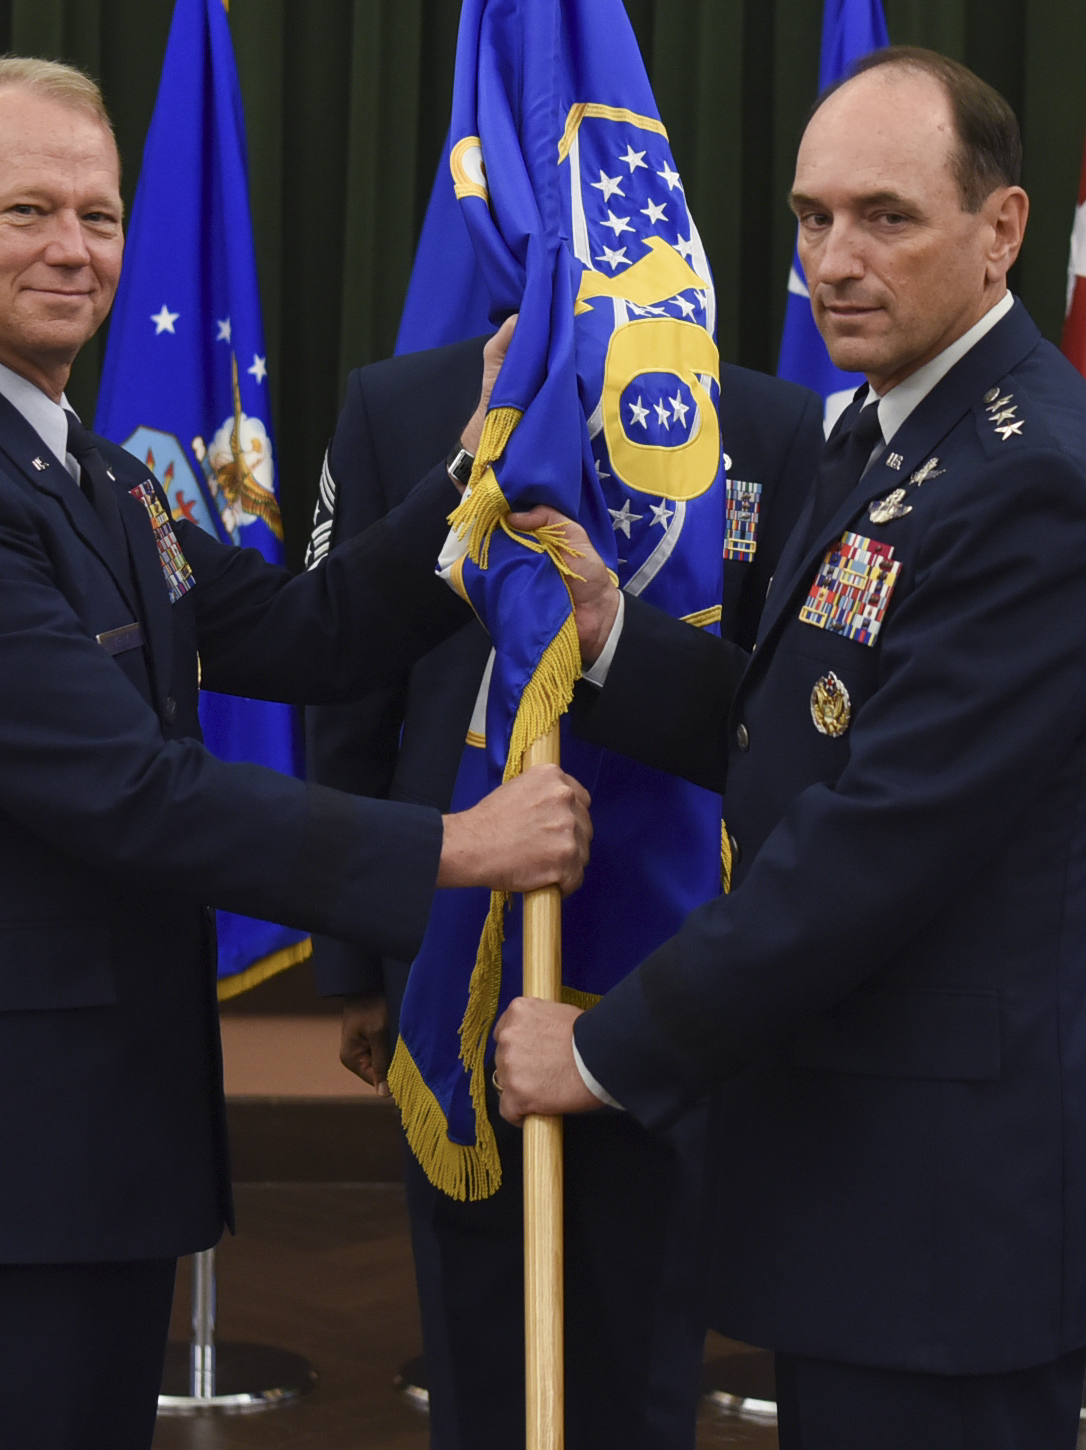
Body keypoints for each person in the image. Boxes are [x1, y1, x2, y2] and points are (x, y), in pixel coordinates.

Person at [0, 56, 593, 1450]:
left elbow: (304, 625)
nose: (73, 248)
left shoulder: (87, 466)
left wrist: (472, 483)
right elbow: (127, 790)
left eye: (98, 216)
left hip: (74, 1140)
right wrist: (456, 847)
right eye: (28, 209)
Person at [492, 44, 1086, 1450]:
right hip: (862, 1181)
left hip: (943, 1213)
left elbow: (870, 847)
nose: (834, 261)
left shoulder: (1028, 477)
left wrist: (609, 1047)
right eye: (811, 219)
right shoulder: (885, 429)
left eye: (885, 216)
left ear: (1003, 231)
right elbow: (805, 721)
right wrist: (614, 634)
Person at [305, 336, 824, 1448]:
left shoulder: (766, 420)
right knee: (477, 1325)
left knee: (642, 1338)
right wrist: (353, 958)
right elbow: (348, 689)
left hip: (674, 948)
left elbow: (773, 711)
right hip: (453, 938)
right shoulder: (400, 403)